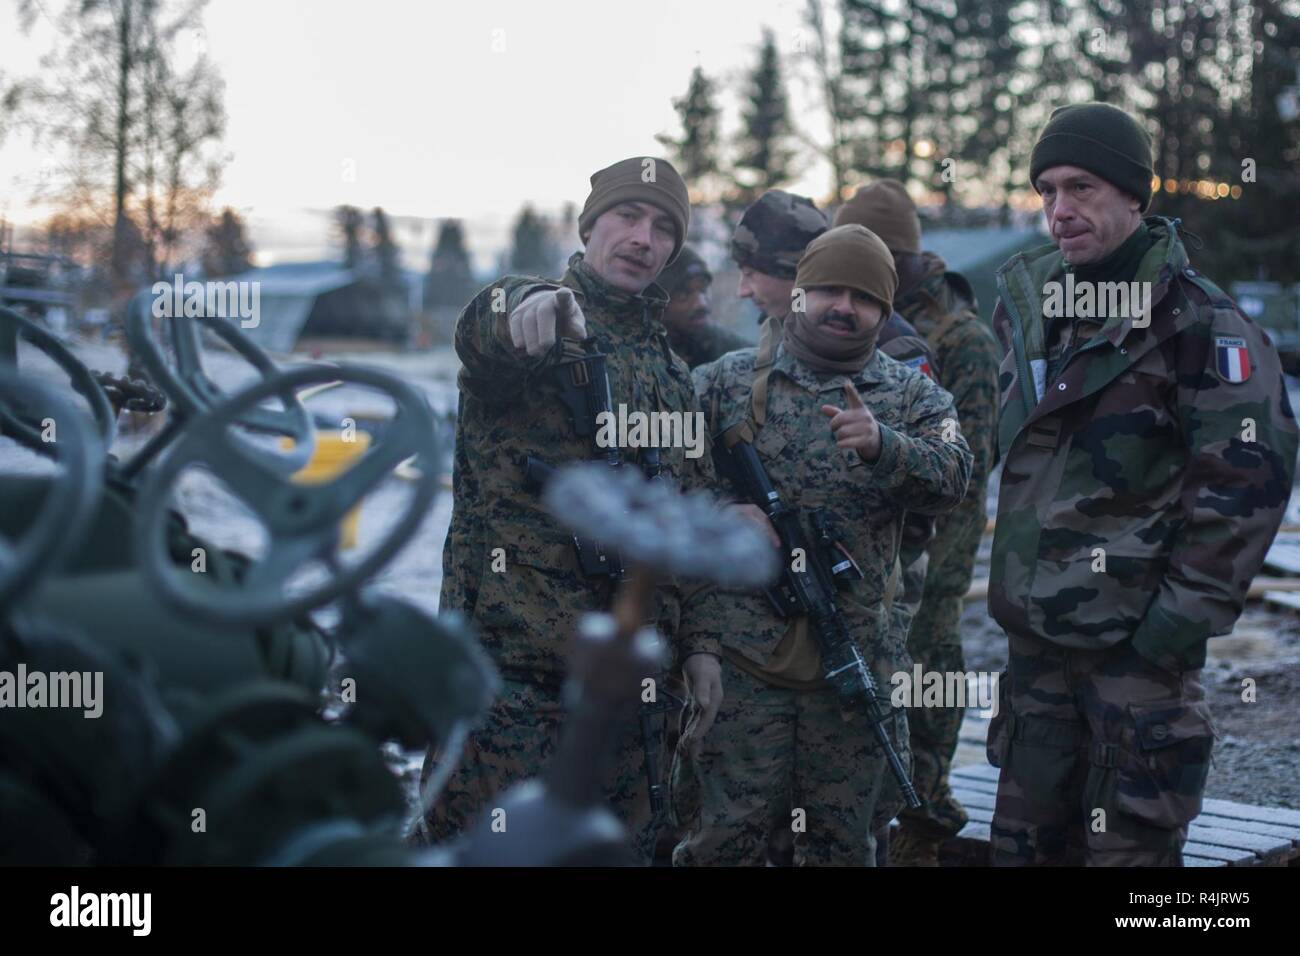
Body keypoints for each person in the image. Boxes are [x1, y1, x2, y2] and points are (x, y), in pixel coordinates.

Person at [986, 102, 1298, 865]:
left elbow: (1246, 488)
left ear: (1133, 194)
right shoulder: (1035, 314)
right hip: (1035, 658)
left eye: (1082, 187)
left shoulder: (1199, 324)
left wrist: (1165, 634)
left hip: (1136, 665)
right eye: (1047, 191)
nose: (1060, 211)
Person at [413, 156, 713, 860]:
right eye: (627, 216)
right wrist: (528, 304)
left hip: (636, 699)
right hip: (512, 687)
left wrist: (702, 647)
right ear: (588, 227)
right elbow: (486, 328)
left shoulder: (673, 377)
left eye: (663, 228)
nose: (643, 239)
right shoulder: (543, 325)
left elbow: (685, 518)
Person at [673, 224, 972, 866]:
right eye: (829, 289)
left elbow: (955, 475)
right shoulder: (722, 383)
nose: (844, 306)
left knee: (843, 847)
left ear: (884, 311)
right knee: (722, 842)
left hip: (854, 663)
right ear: (800, 293)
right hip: (741, 665)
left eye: (864, 297)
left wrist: (885, 445)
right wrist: (722, 512)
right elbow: (662, 483)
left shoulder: (914, 394)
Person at [835, 180, 1001, 864]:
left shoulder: (962, 338)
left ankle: (927, 813)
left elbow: (972, 462)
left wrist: (938, 565)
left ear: (900, 254)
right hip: (878, 531)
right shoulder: (865, 314)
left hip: (941, 528)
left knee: (929, 657)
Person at [656, 244, 748, 369]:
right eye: (684, 294)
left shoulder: (734, 352)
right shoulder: (641, 356)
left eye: (703, 290)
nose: (701, 304)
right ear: (659, 303)